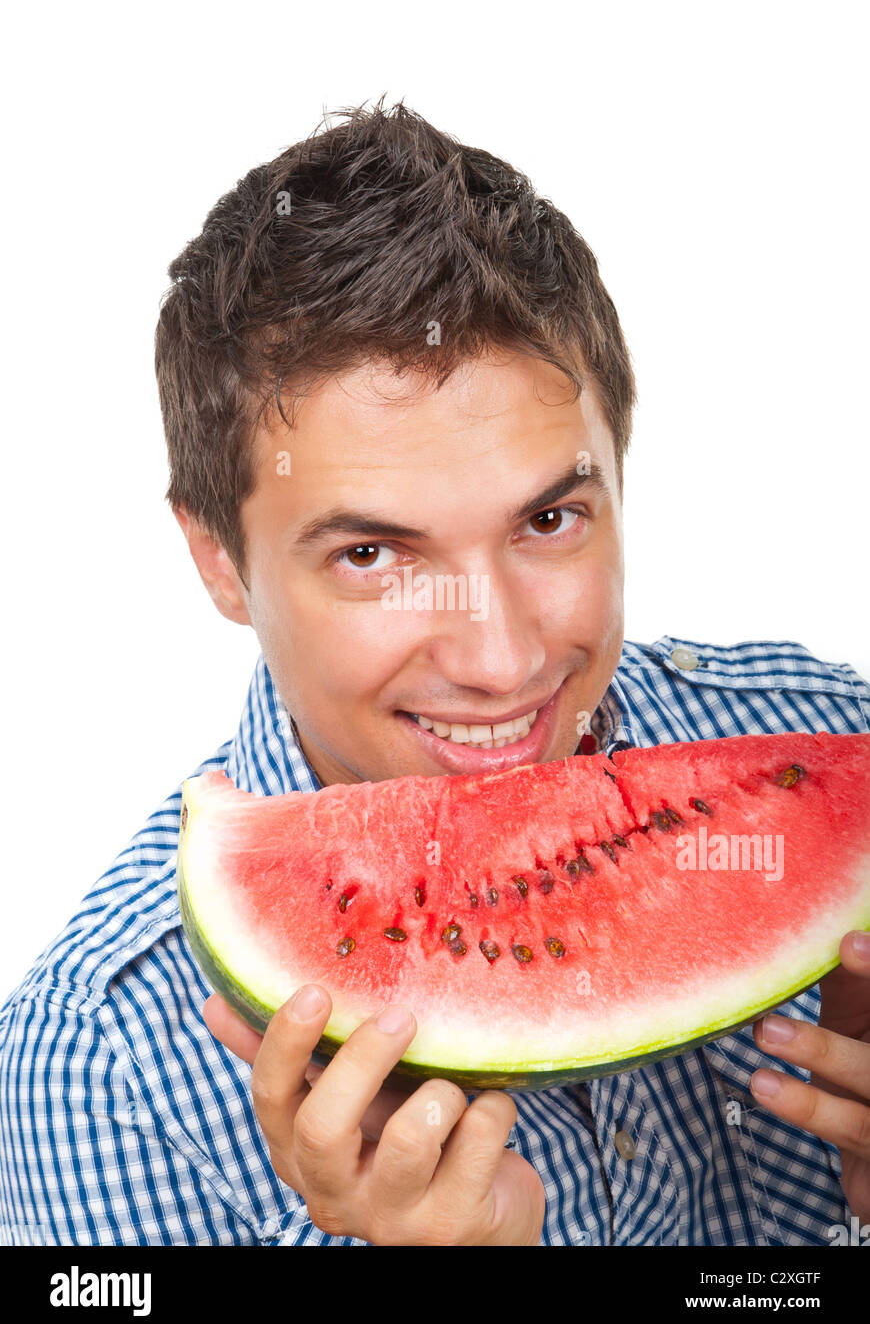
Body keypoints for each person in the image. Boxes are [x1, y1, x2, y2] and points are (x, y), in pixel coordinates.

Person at [1, 102, 868, 1247]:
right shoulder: (100, 1069)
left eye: (550, 518)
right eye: (373, 554)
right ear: (218, 559)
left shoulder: (835, 762)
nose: (503, 657)